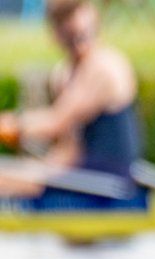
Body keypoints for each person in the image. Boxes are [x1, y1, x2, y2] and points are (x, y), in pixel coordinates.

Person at [0, 0, 146, 210]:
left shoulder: (107, 66)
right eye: (64, 19)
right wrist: (37, 173)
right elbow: (69, 149)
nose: (75, 23)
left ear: (92, 16)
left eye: (75, 14)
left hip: (113, 190)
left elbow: (56, 122)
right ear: (55, 33)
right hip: (82, 179)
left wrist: (12, 125)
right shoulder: (62, 75)